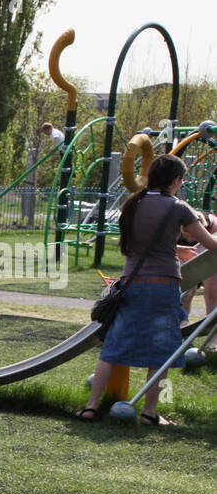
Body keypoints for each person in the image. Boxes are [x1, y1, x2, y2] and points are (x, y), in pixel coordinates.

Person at [82, 154, 217, 425]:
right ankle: (149, 413)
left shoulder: (132, 204)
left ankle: (91, 407)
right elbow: (210, 244)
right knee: (162, 349)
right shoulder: (179, 208)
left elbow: (136, 245)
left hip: (130, 283)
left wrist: (175, 247)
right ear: (175, 180)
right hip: (162, 287)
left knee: (113, 347)